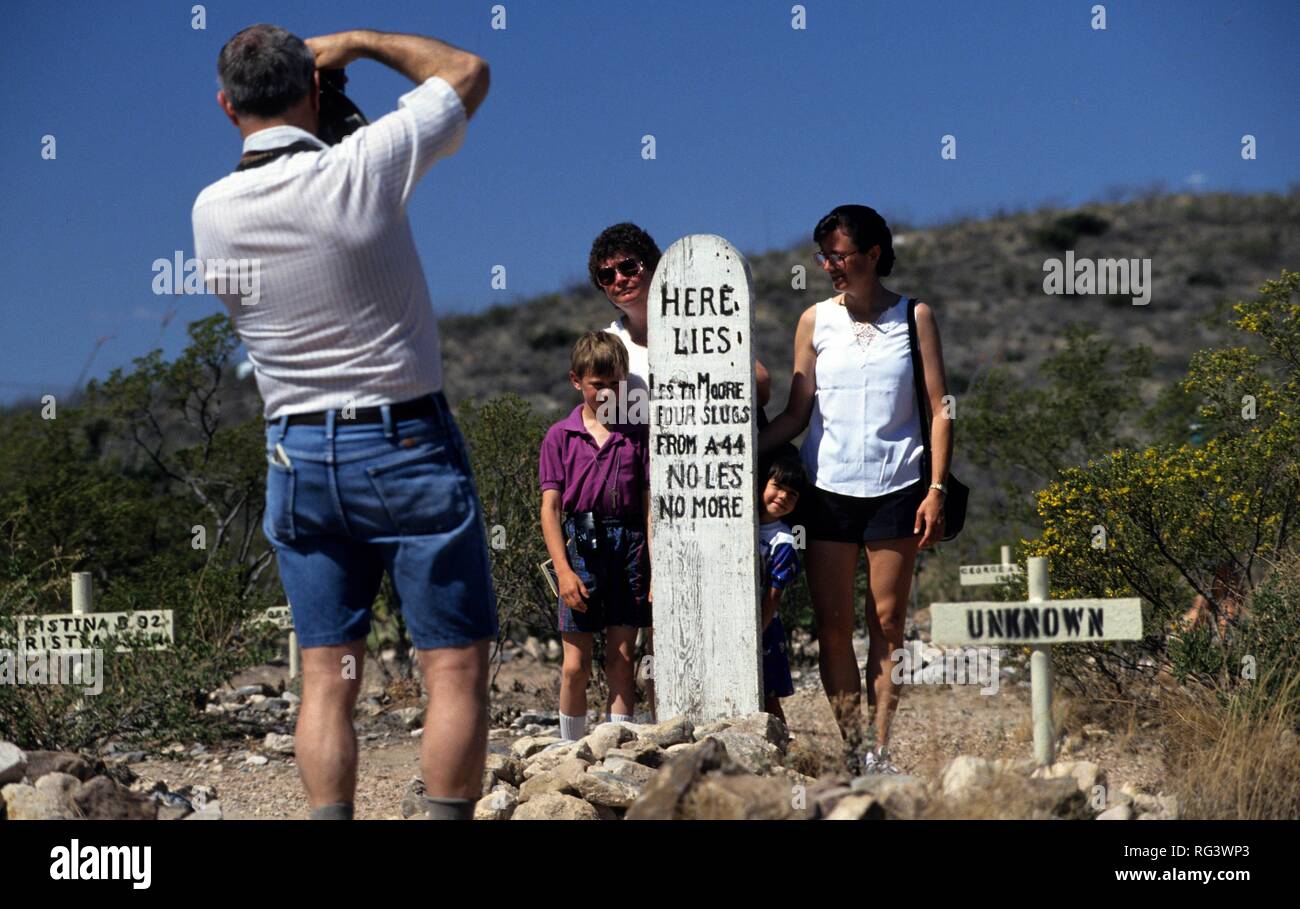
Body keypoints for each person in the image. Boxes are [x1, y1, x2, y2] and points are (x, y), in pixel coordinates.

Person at [192, 25, 493, 820]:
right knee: (453, 667)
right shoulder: (361, 166)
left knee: (326, 676)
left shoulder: (210, 211)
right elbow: (467, 71)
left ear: (226, 106)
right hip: (403, 441)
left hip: (296, 452)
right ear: (316, 88)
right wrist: (358, 40)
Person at [758, 204, 954, 775]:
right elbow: (796, 413)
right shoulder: (814, 320)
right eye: (824, 257)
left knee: (887, 624)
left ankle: (880, 753)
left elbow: (941, 409)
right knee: (834, 627)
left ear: (873, 253)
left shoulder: (915, 316)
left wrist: (936, 488)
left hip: (899, 487)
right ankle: (854, 750)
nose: (829, 267)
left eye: (839, 256)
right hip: (827, 492)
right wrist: (738, 452)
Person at [538, 332, 653, 741]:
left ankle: (618, 748)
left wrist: (654, 569)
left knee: (622, 658)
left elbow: (648, 504)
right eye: (596, 384)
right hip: (581, 546)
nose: (606, 393)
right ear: (576, 381)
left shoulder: (636, 435)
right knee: (576, 664)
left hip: (630, 545)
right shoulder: (560, 436)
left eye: (615, 384)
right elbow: (550, 509)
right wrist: (564, 572)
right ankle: (570, 748)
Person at [757, 455, 809, 727]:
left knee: (767, 695)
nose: (783, 497)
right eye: (777, 486)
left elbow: (774, 596)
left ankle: (782, 742)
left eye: (792, 494)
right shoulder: (740, 523)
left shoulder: (784, 541)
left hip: (764, 628)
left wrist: (756, 634)